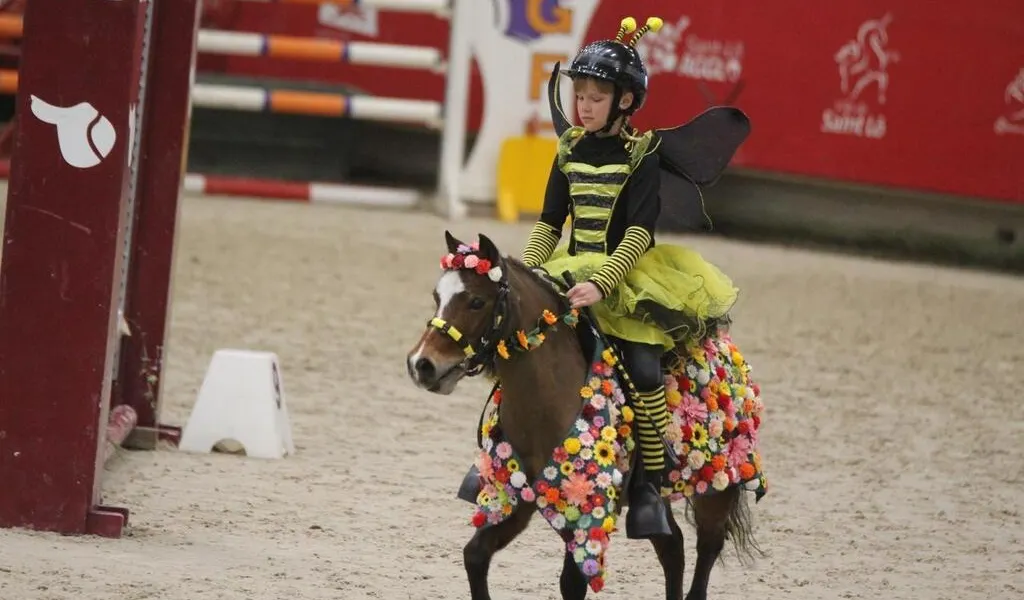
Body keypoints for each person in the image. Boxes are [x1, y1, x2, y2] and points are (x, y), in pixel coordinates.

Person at [520, 16, 740, 539]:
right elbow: (552, 223)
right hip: (567, 269)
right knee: (516, 343)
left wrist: (603, 283)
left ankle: (648, 485)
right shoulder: (568, 148)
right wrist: (526, 271)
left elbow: (639, 233)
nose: (584, 105)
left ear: (624, 102)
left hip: (627, 276)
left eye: (597, 97)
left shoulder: (641, 156)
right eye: (580, 94)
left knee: (643, 368)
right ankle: (502, 457)